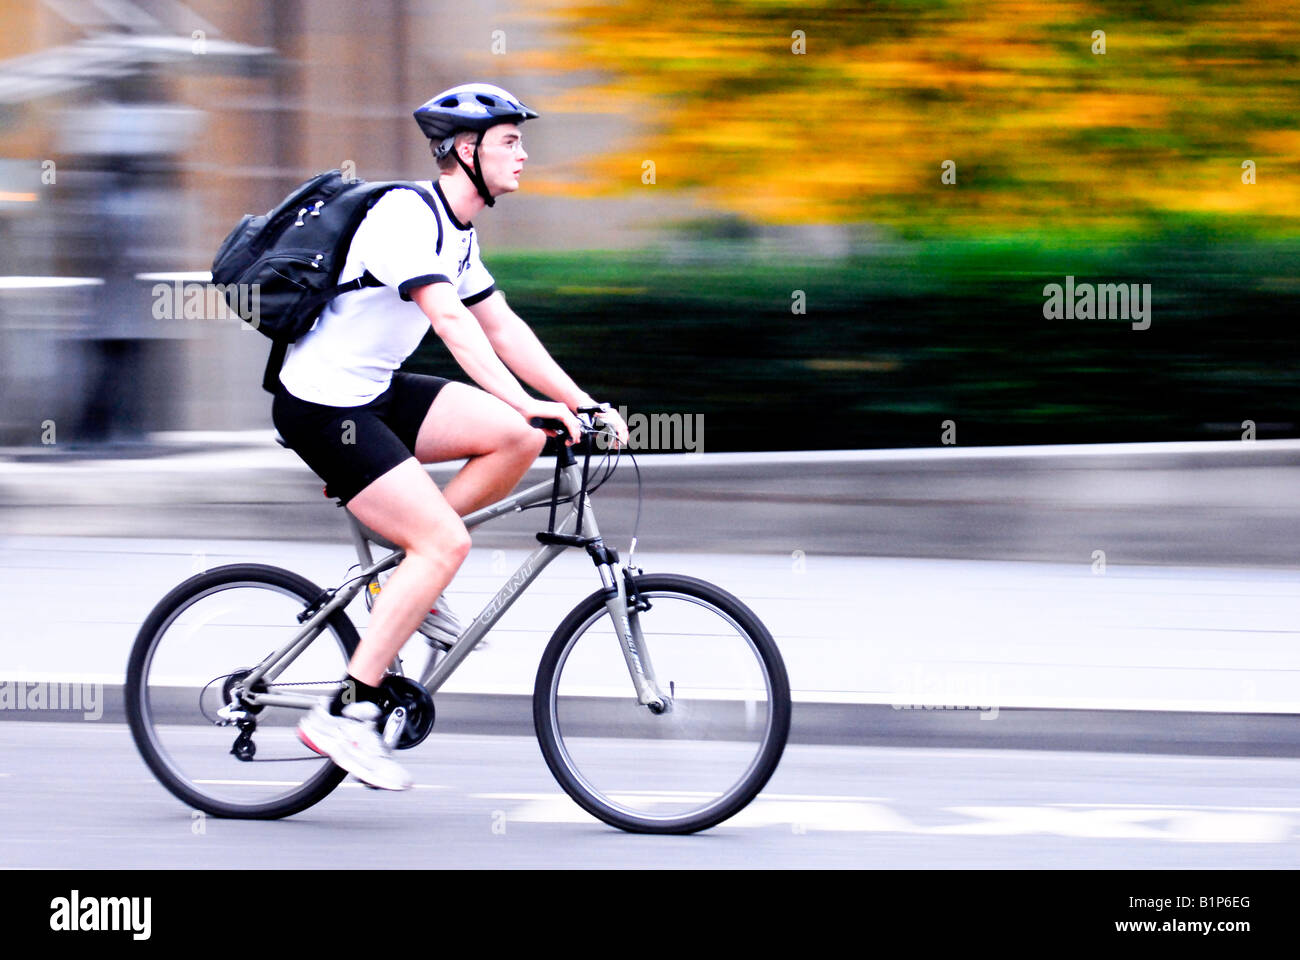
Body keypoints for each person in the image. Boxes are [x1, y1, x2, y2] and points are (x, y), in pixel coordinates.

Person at [273, 82, 629, 790]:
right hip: (323, 409)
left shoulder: (457, 230)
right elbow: (454, 326)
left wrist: (582, 403)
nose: (523, 154)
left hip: (374, 392)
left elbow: (502, 326)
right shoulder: (405, 215)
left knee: (514, 439)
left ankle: (410, 574)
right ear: (464, 152)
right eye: (508, 142)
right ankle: (342, 714)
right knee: (447, 541)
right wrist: (528, 401)